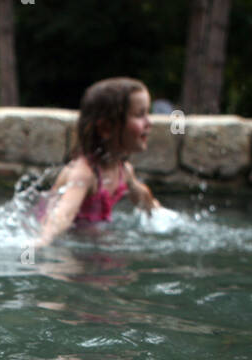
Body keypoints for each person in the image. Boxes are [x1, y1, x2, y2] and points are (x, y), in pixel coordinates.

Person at [34, 77, 161, 247]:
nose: (149, 122)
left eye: (148, 113)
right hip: (57, 238)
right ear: (106, 128)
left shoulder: (124, 171)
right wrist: (41, 241)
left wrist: (159, 213)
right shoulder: (85, 174)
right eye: (140, 115)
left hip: (88, 238)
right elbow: (63, 214)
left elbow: (142, 196)